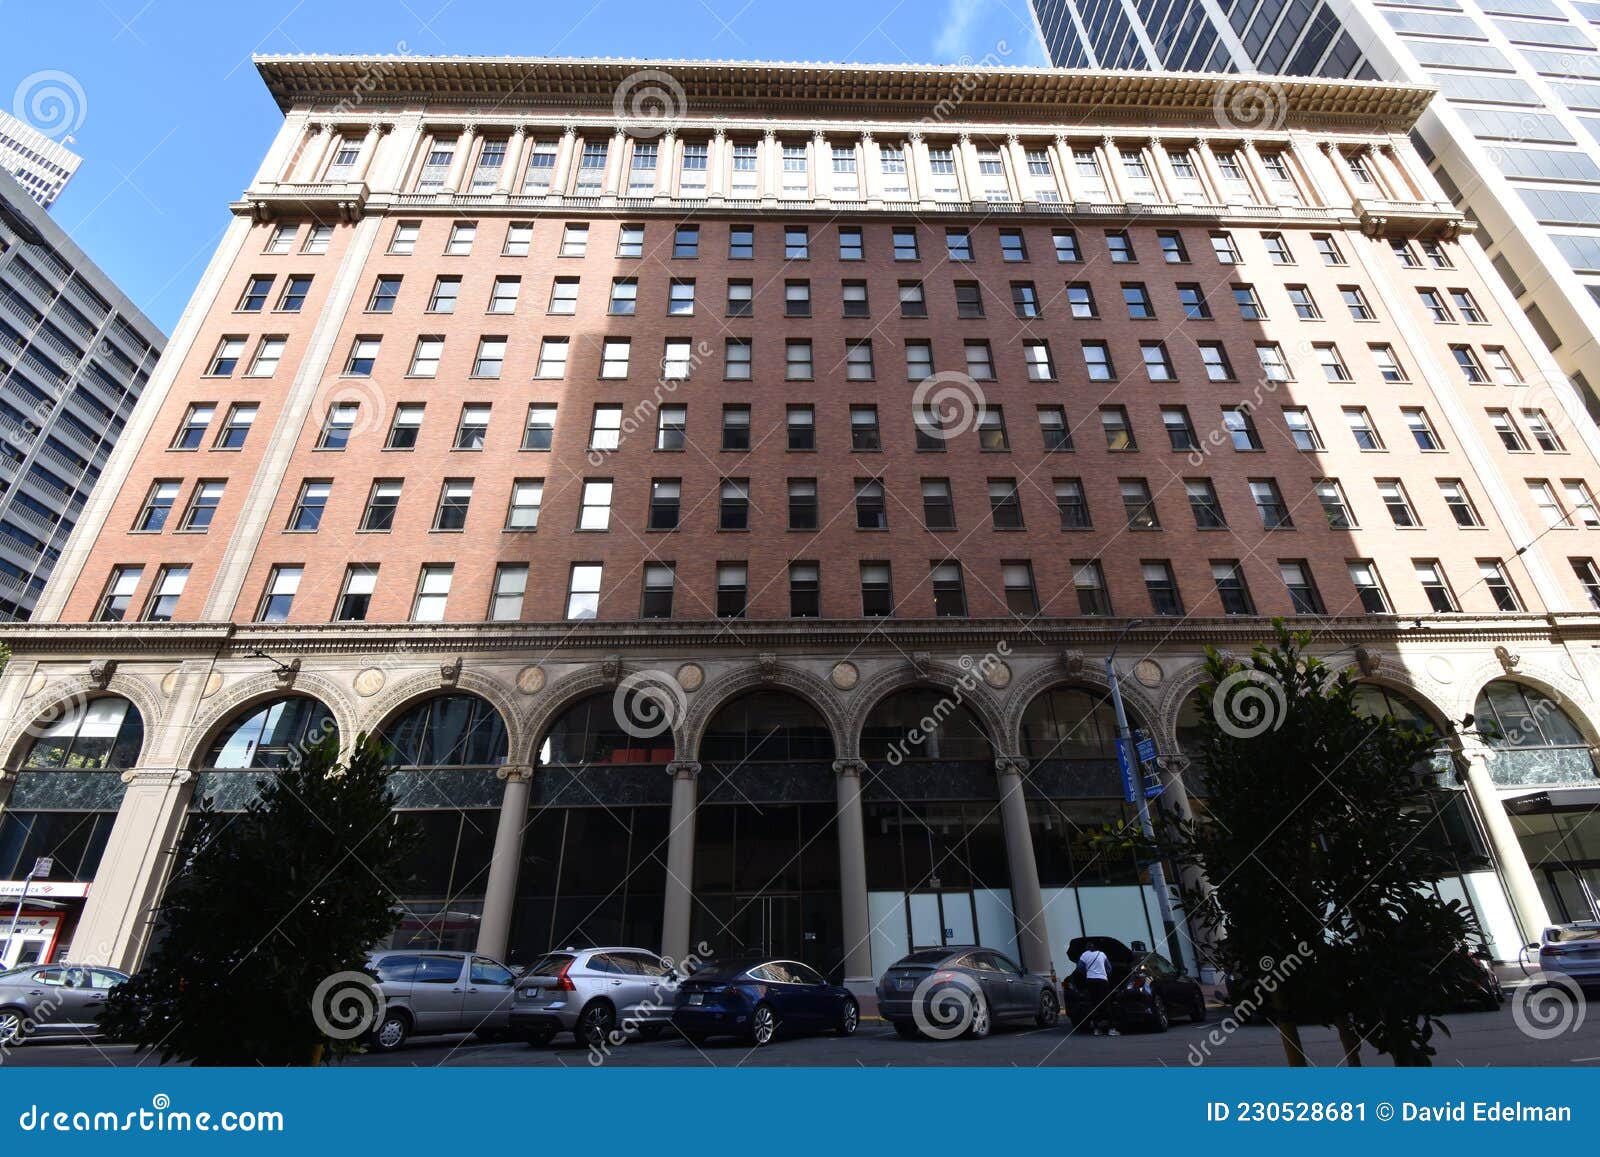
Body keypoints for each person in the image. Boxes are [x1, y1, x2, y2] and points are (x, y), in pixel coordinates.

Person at [1077, 938, 1118, 1037]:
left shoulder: (1084, 955)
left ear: (1087, 948)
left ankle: (1097, 1029)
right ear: (1095, 948)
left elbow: (1080, 968)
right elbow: (1109, 968)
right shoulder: (1102, 954)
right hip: (1102, 981)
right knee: (1106, 1003)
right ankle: (1111, 1029)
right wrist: (1104, 974)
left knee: (1094, 1004)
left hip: (1091, 981)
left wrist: (1087, 973)